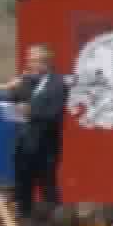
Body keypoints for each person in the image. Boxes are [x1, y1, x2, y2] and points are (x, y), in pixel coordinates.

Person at [7, 44, 67, 215]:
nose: (29, 64)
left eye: (32, 60)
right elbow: (12, 99)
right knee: (23, 187)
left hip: (45, 147)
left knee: (47, 186)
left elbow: (53, 113)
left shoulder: (57, 84)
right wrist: (12, 88)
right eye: (29, 60)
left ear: (44, 62)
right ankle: (24, 221)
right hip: (24, 147)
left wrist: (31, 111)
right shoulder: (28, 82)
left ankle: (55, 224)